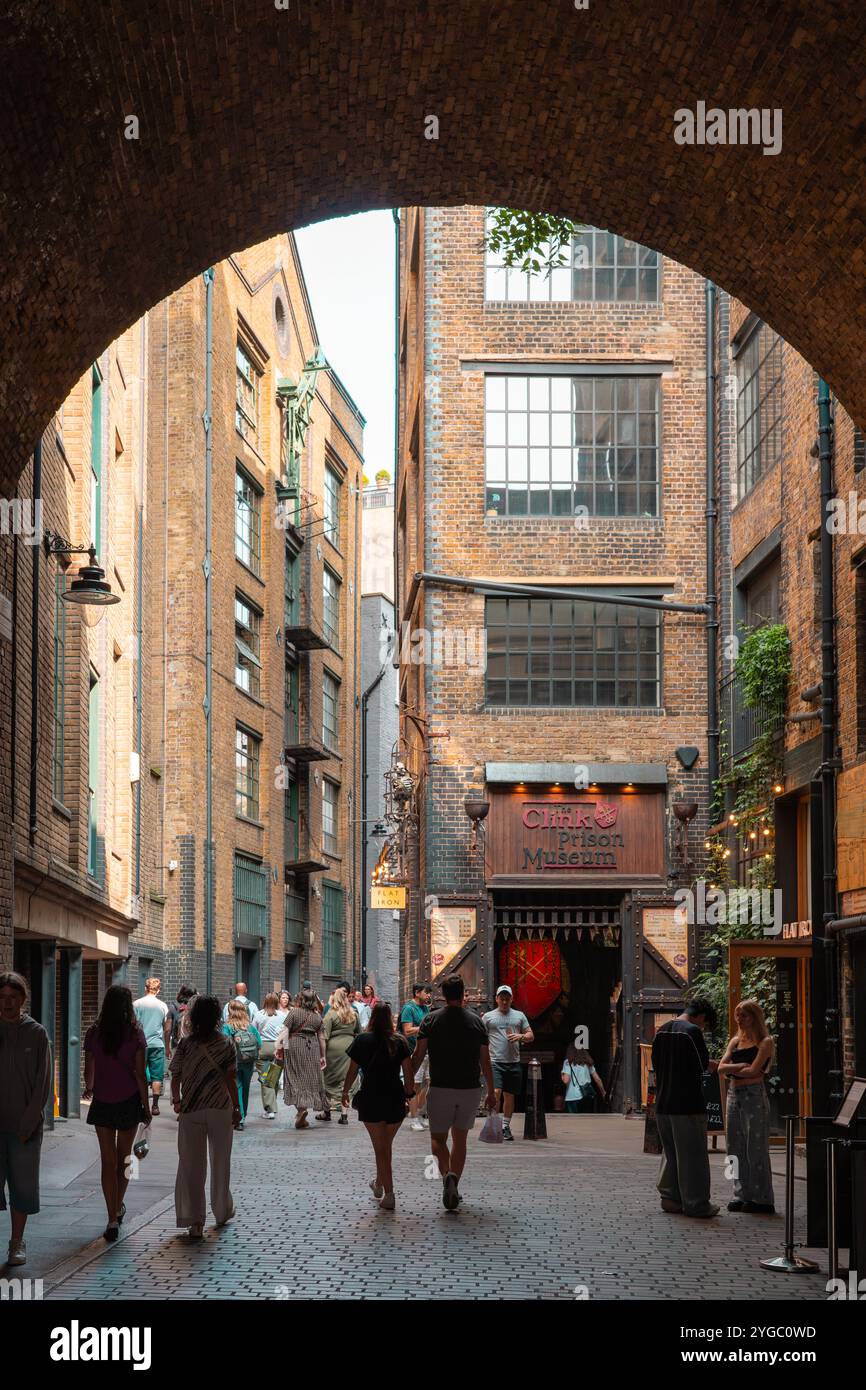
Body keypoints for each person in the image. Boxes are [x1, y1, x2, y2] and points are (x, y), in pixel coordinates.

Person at [411, 974, 497, 1212]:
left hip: (440, 1087)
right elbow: (485, 1061)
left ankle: (446, 1175)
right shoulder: (476, 1022)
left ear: (442, 995)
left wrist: (408, 1083)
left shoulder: (430, 1020)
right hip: (469, 1088)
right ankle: (454, 1180)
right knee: (460, 1139)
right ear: (463, 995)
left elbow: (418, 1056)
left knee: (438, 1139)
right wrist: (491, 1090)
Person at [84, 984, 150, 1242]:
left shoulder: (94, 1032)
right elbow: (140, 1074)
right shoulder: (135, 1034)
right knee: (126, 1160)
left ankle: (112, 1216)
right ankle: (117, 1206)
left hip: (102, 1100)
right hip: (128, 1101)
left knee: (107, 1160)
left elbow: (89, 1068)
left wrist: (89, 1088)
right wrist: (146, 1105)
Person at [170, 994, 239, 1240]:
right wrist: (237, 1107)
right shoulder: (226, 1043)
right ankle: (221, 1211)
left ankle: (195, 1220)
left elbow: (175, 1075)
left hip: (191, 1109)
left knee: (191, 1165)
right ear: (217, 1017)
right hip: (220, 1108)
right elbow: (231, 1078)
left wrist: (177, 1100)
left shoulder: (186, 1045)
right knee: (221, 1163)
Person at [0, 972, 52, 1268]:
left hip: (24, 1128)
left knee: (22, 1187)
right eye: (2, 997)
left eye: (12, 997)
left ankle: (16, 1242)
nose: (7, 1003)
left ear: (22, 999)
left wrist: (28, 1123)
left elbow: (41, 1084)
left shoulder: (36, 1033)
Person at [651, 997, 719, 1219]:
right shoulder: (691, 1031)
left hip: (663, 1104)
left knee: (671, 1153)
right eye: (705, 1024)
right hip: (687, 1103)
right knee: (693, 1156)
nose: (703, 1027)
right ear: (701, 1016)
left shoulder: (662, 1031)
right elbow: (701, 1065)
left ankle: (669, 1197)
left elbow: (655, 1065)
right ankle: (696, 1203)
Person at [342, 1003, 415, 1210]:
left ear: (372, 1018)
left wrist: (345, 1091)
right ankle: (379, 1183)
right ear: (390, 1018)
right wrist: (409, 1094)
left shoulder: (362, 1040)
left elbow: (352, 1071)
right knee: (385, 1147)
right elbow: (408, 1073)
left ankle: (389, 1194)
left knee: (380, 1148)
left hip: (371, 1097)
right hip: (394, 1096)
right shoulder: (399, 1041)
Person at [718, 999, 775, 1214]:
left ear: (755, 1017)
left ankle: (762, 1198)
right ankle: (739, 1193)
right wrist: (739, 1066)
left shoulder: (765, 1042)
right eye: (737, 1015)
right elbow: (721, 1069)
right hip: (734, 1094)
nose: (739, 1019)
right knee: (733, 1147)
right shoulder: (735, 1042)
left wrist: (736, 1070)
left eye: (744, 1015)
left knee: (756, 1147)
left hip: (753, 1095)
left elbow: (754, 1072)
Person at [482, 984, 534, 1140]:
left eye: (507, 998)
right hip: (495, 1061)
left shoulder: (519, 1016)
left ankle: (505, 1126)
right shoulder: (488, 1017)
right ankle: (493, 1125)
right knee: (496, 1093)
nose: (504, 1001)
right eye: (501, 998)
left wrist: (521, 1036)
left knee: (509, 1095)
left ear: (512, 999)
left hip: (513, 1061)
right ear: (496, 999)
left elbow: (531, 1035)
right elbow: (481, 1038)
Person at [275, 989, 326, 1129]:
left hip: (294, 1046)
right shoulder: (317, 1016)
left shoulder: (294, 1012)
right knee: (309, 1078)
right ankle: (302, 1112)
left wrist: (279, 1049)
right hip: (312, 1047)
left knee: (295, 1077)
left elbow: (285, 1031)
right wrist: (323, 1056)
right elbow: (322, 1037)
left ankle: (300, 1110)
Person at [132, 977, 171, 1116]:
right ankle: (155, 1106)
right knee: (157, 1076)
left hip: (140, 1044)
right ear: (158, 990)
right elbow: (166, 1028)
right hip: (157, 1044)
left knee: (139, 1074)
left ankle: (140, 1103)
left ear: (145, 988)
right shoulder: (162, 1006)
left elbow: (133, 1024)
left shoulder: (136, 1004)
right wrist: (167, 1047)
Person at [319, 988, 360, 1123]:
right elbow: (359, 1032)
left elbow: (324, 1036)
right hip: (350, 1047)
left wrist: (322, 1055)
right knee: (346, 1079)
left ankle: (326, 1112)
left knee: (327, 1078)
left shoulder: (330, 1014)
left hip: (333, 1049)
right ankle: (344, 1115)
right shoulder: (353, 1014)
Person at [221, 999, 262, 1130]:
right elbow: (259, 1044)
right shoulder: (249, 1026)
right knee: (245, 1088)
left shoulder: (227, 1027)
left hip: (234, 1062)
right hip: (249, 1062)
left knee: (236, 1087)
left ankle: (238, 1116)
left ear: (230, 1011)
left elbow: (224, 1045)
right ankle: (243, 1117)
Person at [399, 983, 431, 1131]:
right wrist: (424, 1028)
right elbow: (407, 1030)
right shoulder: (408, 1008)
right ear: (417, 993)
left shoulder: (425, 1008)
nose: (429, 995)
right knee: (414, 1085)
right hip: (413, 1051)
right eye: (426, 992)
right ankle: (413, 1119)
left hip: (427, 1051)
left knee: (427, 1083)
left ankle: (420, 1114)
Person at [252, 993, 285, 1119]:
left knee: (266, 1079)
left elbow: (254, 1032)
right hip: (278, 1048)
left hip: (263, 1048)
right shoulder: (282, 1016)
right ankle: (272, 1105)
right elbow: (285, 1033)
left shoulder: (259, 1015)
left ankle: (270, 1109)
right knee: (273, 1078)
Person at [560, 1044, 605, 1113]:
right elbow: (597, 1079)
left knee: (573, 1122)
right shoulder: (587, 1062)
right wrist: (603, 1092)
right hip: (587, 1095)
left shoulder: (567, 1062)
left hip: (572, 1097)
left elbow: (566, 1080)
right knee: (585, 1120)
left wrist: (562, 1074)